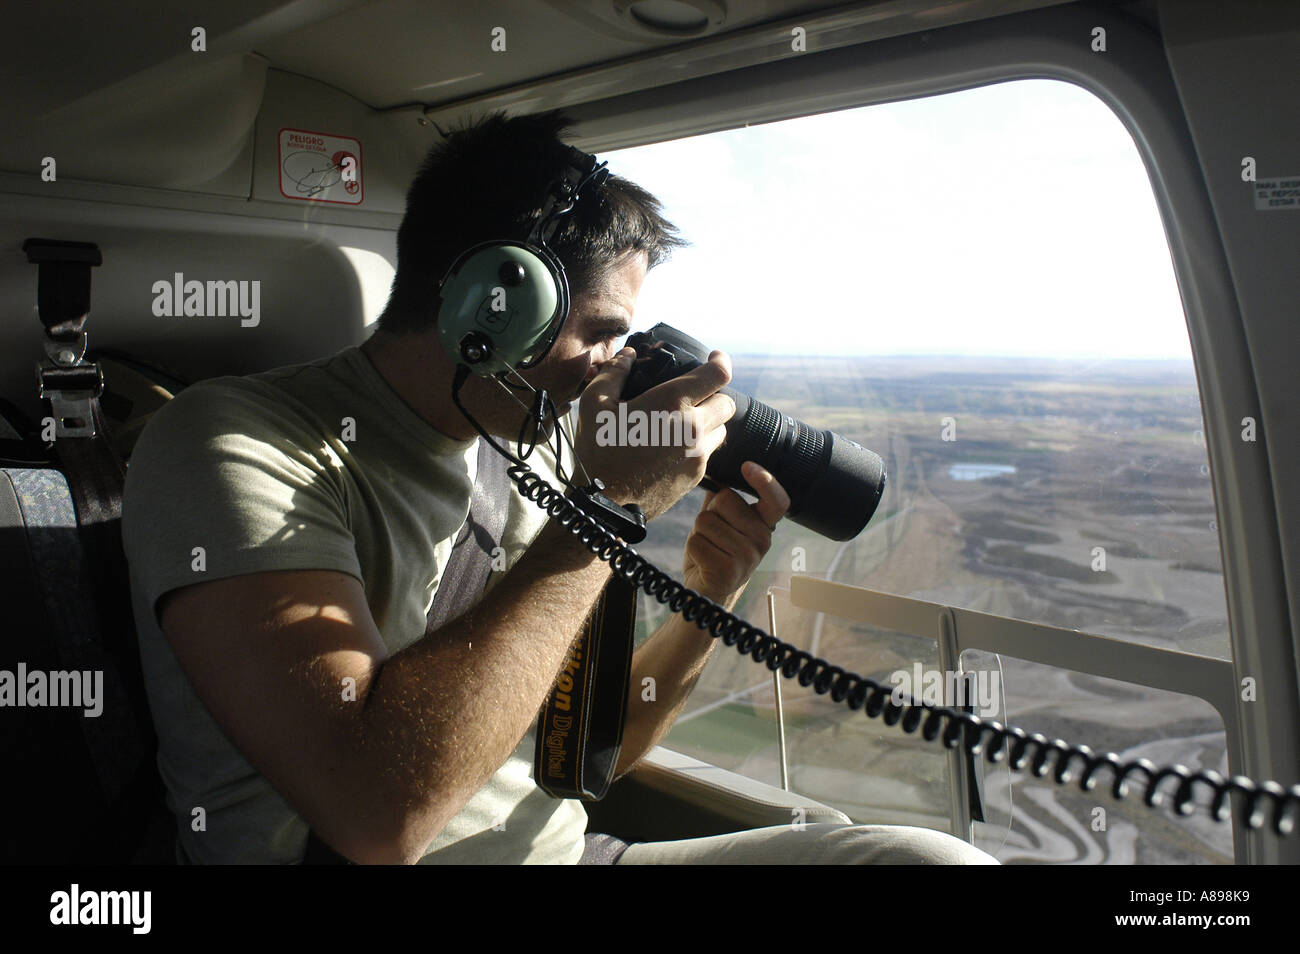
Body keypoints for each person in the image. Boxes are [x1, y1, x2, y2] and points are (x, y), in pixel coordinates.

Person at [121, 109, 997, 865]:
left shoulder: (527, 451)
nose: (614, 367)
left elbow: (587, 755)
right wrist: (605, 515)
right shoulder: (233, 443)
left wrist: (705, 595)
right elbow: (374, 816)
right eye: (602, 331)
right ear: (495, 302)